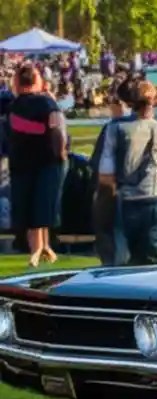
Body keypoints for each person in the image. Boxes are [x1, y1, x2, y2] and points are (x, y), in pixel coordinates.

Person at [98, 80, 157, 266]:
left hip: (130, 201)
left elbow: (105, 174)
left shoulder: (115, 129)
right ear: (154, 101)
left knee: (134, 263)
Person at [6, 65, 67, 268]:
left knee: (28, 206)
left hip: (21, 162)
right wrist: (61, 152)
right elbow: (56, 128)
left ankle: (39, 247)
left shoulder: (12, 104)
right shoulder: (46, 102)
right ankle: (41, 247)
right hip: (47, 161)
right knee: (44, 204)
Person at [88, 83, 134, 265]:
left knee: (113, 235)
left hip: (113, 189)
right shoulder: (148, 126)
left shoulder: (113, 128)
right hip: (135, 190)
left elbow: (98, 163)